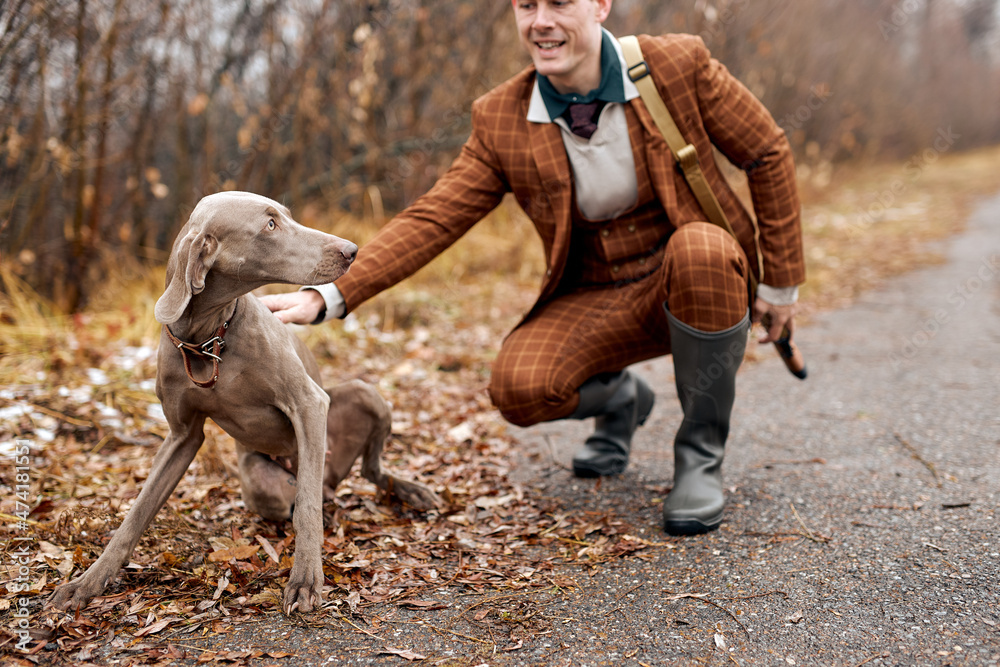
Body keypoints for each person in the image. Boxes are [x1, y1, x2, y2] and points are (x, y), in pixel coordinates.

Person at [262, 0, 805, 535]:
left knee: (702, 250)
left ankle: (700, 457)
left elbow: (767, 152)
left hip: (696, 279)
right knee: (519, 389)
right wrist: (326, 293)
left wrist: (780, 285)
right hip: (597, 294)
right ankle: (621, 400)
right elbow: (434, 218)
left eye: (559, 3)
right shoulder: (502, 117)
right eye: (526, 5)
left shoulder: (678, 66)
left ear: (600, 6)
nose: (540, 21)